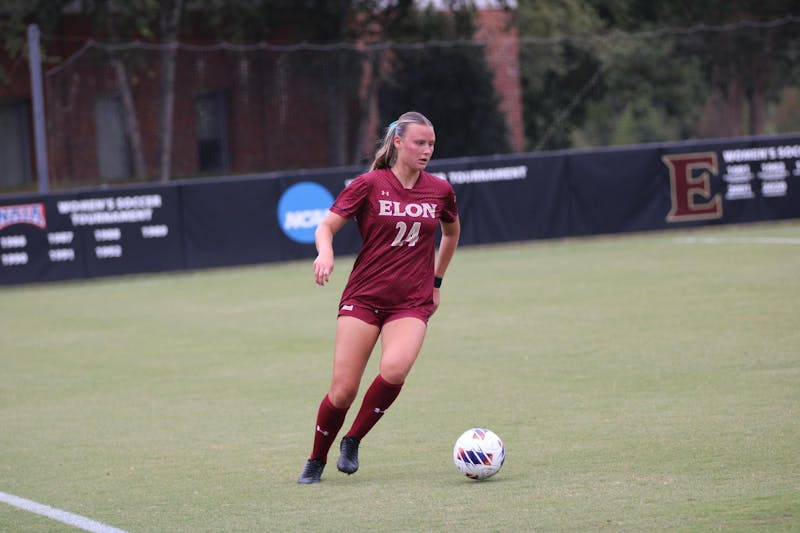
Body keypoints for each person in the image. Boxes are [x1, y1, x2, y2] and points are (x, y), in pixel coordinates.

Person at [297, 111, 460, 484]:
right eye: (419, 143)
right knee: (342, 392)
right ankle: (316, 459)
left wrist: (436, 283)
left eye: (431, 144)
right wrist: (325, 253)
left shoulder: (440, 190)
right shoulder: (369, 184)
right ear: (398, 142)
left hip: (411, 301)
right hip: (364, 297)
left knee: (395, 370)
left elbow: (451, 234)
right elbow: (326, 227)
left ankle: (353, 439)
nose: (427, 150)